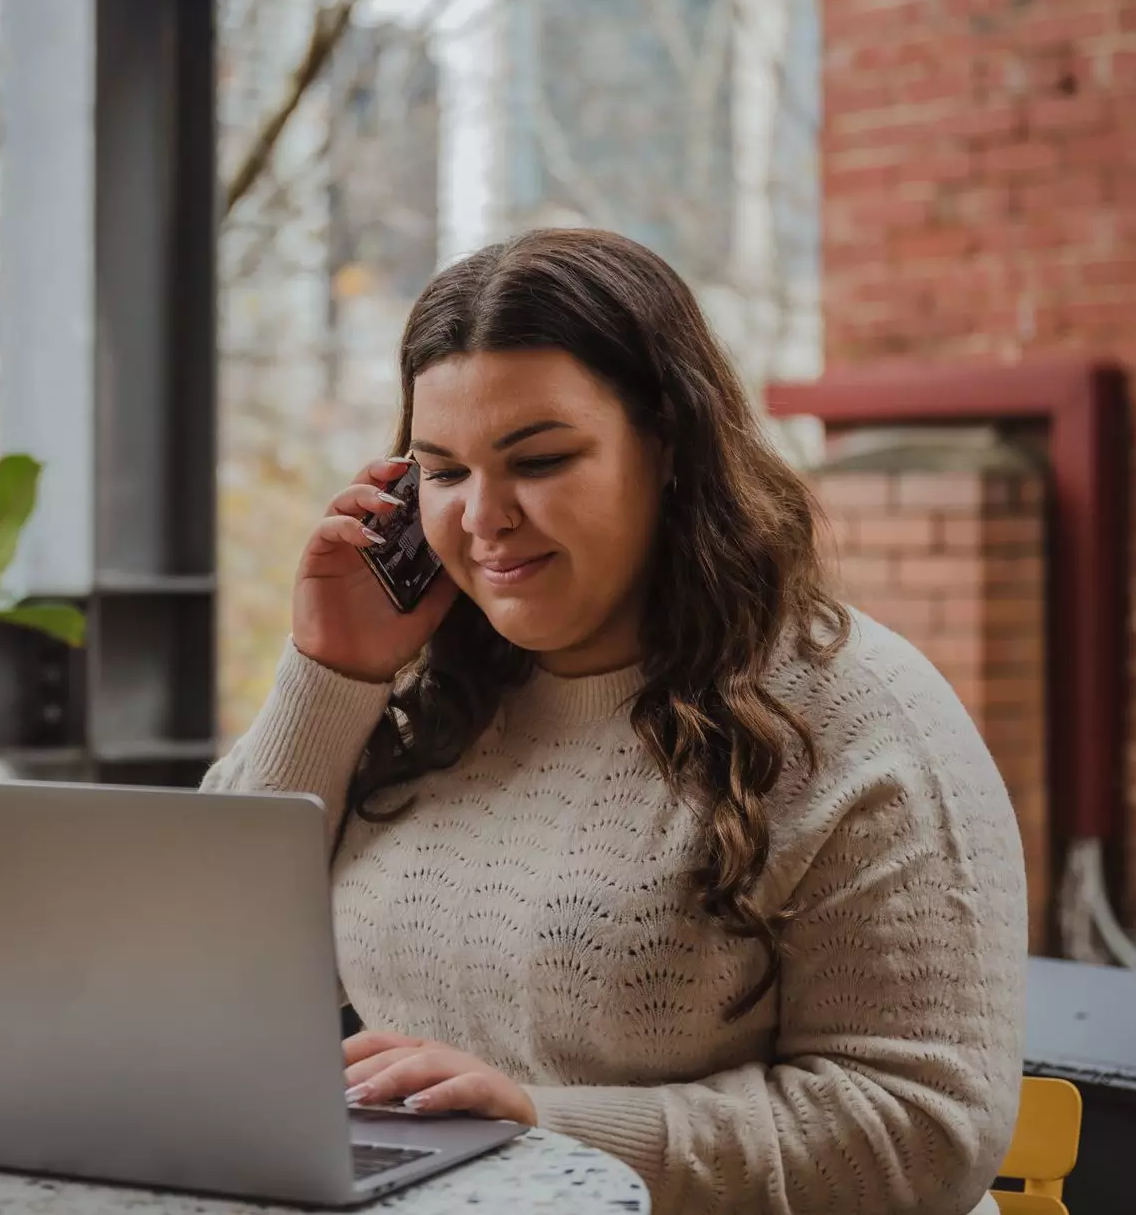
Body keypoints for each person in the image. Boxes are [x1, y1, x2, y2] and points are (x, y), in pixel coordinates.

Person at [203, 229, 1026, 1214]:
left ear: (668, 446)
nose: (482, 517)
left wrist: (547, 1131)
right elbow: (213, 943)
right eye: (445, 471)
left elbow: (921, 1133)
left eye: (539, 459)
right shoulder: (433, 690)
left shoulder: (856, 712)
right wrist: (330, 671)